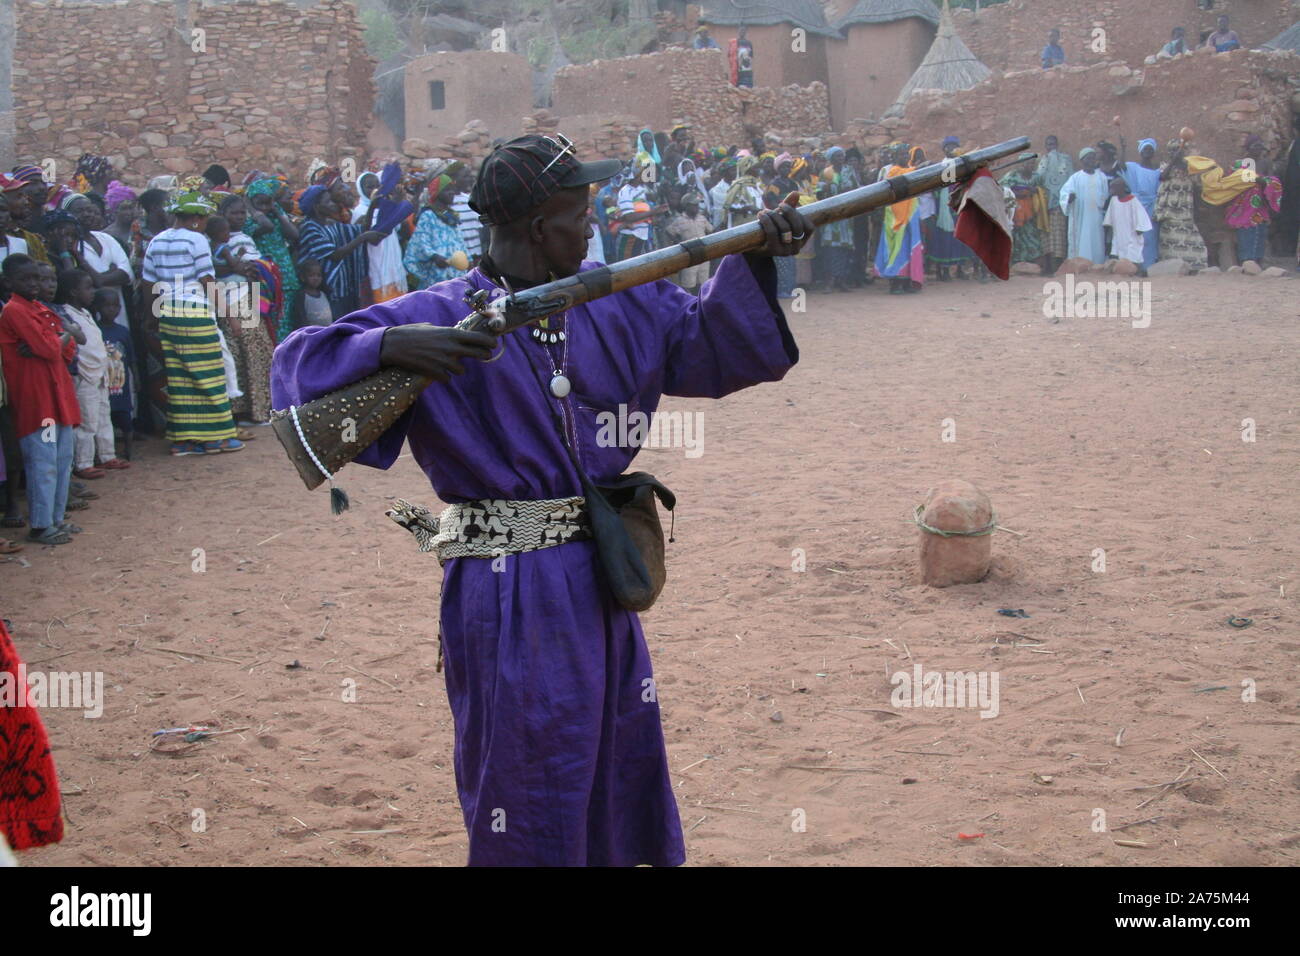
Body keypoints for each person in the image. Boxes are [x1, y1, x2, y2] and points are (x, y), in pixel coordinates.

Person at [270, 133, 810, 867]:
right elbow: (297, 367)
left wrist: (754, 256)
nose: (592, 229)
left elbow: (711, 340)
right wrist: (392, 349)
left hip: (603, 574)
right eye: (578, 215)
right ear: (534, 229)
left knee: (615, 752)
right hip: (503, 592)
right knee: (524, 775)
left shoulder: (616, 298)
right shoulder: (440, 312)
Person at [140, 191, 243, 456]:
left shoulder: (156, 240)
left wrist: (151, 317)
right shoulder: (196, 239)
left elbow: (148, 283)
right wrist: (230, 315)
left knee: (180, 378)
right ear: (197, 218)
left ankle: (184, 440)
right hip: (194, 311)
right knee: (209, 373)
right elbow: (207, 280)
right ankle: (216, 438)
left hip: (168, 313)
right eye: (206, 217)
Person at [0, 255, 79, 544]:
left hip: (57, 396)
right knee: (43, 462)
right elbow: (52, 347)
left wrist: (57, 341)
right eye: (27, 279)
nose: (34, 284)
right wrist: (59, 339)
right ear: (8, 282)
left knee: (61, 459)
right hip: (38, 401)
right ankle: (41, 524)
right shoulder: (14, 310)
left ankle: (55, 520)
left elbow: (65, 348)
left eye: (36, 278)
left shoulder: (38, 308)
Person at [56, 268, 127, 475]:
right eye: (87, 288)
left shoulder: (85, 313)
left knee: (104, 417)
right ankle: (84, 462)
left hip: (100, 373)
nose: (92, 292)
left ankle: (107, 455)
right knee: (86, 421)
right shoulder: (66, 314)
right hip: (85, 374)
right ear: (72, 292)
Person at [296, 185, 382, 318]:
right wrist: (363, 238)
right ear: (316, 207)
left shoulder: (329, 224)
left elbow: (362, 229)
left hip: (343, 288)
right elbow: (335, 255)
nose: (333, 205)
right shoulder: (310, 228)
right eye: (328, 202)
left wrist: (372, 206)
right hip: (328, 290)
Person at [59, 194, 132, 330]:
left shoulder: (107, 238)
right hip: (89, 315)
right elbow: (79, 282)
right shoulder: (68, 245)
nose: (87, 214)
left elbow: (126, 275)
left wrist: (96, 276)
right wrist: (111, 273)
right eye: (79, 211)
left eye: (89, 210)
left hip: (118, 313)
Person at [246, 178, 302, 338]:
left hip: (287, 278)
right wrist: (250, 208)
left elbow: (294, 234)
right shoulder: (249, 221)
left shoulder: (275, 216)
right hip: (267, 280)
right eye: (259, 203)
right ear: (251, 202)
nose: (264, 207)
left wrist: (277, 212)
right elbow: (267, 226)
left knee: (290, 324)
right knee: (275, 325)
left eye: (267, 202)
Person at [404, 174, 470, 290]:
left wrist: (467, 258)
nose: (452, 193)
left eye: (453, 190)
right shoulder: (428, 215)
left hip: (454, 273)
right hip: (436, 273)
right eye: (447, 190)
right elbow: (421, 242)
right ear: (436, 193)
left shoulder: (452, 216)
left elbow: (459, 240)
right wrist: (434, 256)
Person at [875, 146, 926, 294]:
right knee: (896, 247)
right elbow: (903, 177)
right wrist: (920, 167)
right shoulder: (893, 170)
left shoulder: (911, 169)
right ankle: (895, 282)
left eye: (906, 154)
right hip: (895, 216)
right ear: (894, 157)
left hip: (911, 215)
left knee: (909, 245)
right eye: (901, 154)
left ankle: (907, 281)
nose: (904, 157)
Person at [1225, 136, 1282, 268]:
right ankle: (1246, 259)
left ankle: (1257, 259)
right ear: (1248, 148)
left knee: (1260, 229)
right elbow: (1238, 179)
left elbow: (1271, 179)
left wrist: (1262, 181)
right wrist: (1260, 180)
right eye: (1255, 147)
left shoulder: (1265, 162)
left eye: (1260, 147)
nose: (1258, 150)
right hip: (1244, 203)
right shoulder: (1243, 163)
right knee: (1246, 228)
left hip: (1260, 202)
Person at [93, 287, 135, 461]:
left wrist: (136, 379)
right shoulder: (95, 330)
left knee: (125, 417)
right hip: (103, 384)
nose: (112, 309)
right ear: (97, 307)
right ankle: (104, 452)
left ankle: (129, 451)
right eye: (107, 306)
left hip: (121, 383)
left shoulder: (123, 331)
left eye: (115, 306)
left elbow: (132, 358)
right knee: (104, 418)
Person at [1155, 139, 1208, 269]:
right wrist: (1174, 161)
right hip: (1170, 212)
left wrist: (1196, 210)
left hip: (1186, 211)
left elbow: (1196, 187)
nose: (1175, 153)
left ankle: (1194, 267)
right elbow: (1162, 177)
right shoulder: (1166, 165)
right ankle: (1171, 268)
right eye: (1172, 150)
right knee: (1170, 241)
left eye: (1178, 150)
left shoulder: (1189, 167)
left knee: (1194, 242)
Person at [929, 136, 976, 280]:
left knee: (960, 239)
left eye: (954, 146)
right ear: (943, 149)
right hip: (944, 208)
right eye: (948, 147)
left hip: (960, 206)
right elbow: (936, 188)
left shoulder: (962, 165)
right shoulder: (941, 166)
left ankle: (960, 269)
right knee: (944, 239)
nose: (951, 149)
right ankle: (942, 271)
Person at [1060, 147, 1108, 264]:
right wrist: (1068, 199)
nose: (1091, 160)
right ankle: (1080, 265)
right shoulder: (1075, 178)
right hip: (1080, 217)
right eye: (1088, 158)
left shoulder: (1101, 176)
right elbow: (1064, 194)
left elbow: (1105, 195)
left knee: (1097, 241)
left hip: (1096, 217)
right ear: (1082, 160)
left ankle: (1098, 266)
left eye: (1093, 158)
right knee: (1081, 242)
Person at [1123, 138, 1164, 269]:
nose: (1148, 152)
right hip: (1137, 206)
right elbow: (1121, 166)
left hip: (1152, 207)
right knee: (1136, 236)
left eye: (1150, 149)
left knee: (1150, 237)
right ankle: (1134, 266)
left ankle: (1148, 266)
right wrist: (1123, 148)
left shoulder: (1158, 171)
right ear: (1140, 152)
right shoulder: (1133, 168)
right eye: (1145, 149)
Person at [663, 191, 711, 293]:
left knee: (703, 281)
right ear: (686, 206)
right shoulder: (679, 220)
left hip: (703, 254)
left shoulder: (702, 218)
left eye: (697, 205)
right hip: (690, 255)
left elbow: (710, 230)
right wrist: (678, 243)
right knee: (689, 282)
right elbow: (668, 232)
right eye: (694, 205)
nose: (697, 207)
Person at [1103, 176, 1153, 270]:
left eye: (1113, 187)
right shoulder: (1113, 200)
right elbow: (1109, 219)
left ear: (1121, 187)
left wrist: (1139, 229)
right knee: (1118, 253)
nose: (1111, 190)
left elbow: (1141, 218)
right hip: (1119, 234)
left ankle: (1137, 271)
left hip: (1131, 234)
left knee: (1133, 254)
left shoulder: (1133, 201)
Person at [292, 259, 333, 328]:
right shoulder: (302, 295)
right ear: (303, 278)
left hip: (326, 331)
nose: (315, 278)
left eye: (318, 275)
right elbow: (301, 317)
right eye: (311, 275)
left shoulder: (323, 294)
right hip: (311, 333)